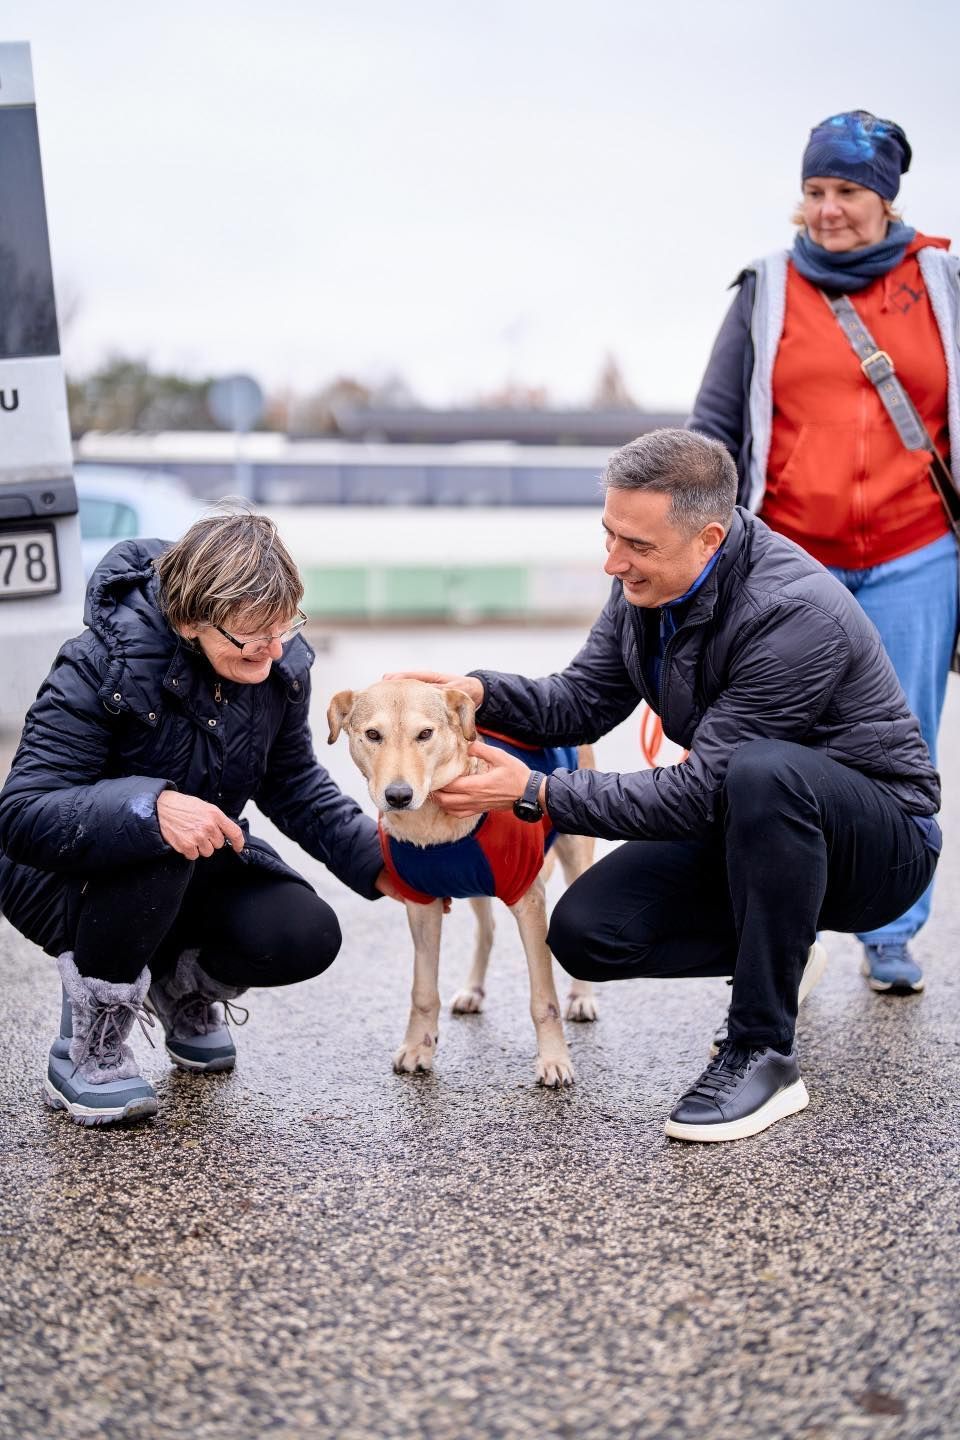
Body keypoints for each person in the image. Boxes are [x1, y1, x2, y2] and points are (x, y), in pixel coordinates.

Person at [396, 429, 941, 1143]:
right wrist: (480, 692)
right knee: (588, 934)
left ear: (708, 536)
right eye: (609, 534)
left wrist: (535, 793)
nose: (613, 560)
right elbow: (580, 702)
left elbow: (699, 792)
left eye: (637, 546)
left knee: (762, 770)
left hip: (879, 844)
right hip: (758, 833)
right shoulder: (646, 586)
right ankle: (782, 945)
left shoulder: (791, 613)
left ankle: (762, 1051)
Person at [0, 506, 396, 1127]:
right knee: (159, 843)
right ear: (189, 621)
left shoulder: (277, 667)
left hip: (191, 860)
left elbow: (291, 782)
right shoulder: (98, 664)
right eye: (252, 633)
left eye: (284, 624)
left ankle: (178, 986)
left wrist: (382, 861)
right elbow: (22, 813)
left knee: (304, 933)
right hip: (68, 874)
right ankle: (87, 1048)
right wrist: (146, 807)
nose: (273, 648)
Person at [688, 108, 959, 995]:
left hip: (917, 551)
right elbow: (714, 431)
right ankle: (784, 925)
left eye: (847, 190)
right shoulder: (766, 287)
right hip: (791, 558)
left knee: (899, 743)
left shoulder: (943, 283)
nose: (828, 209)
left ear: (885, 197)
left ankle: (890, 929)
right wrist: (700, 549)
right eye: (814, 191)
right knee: (775, 740)